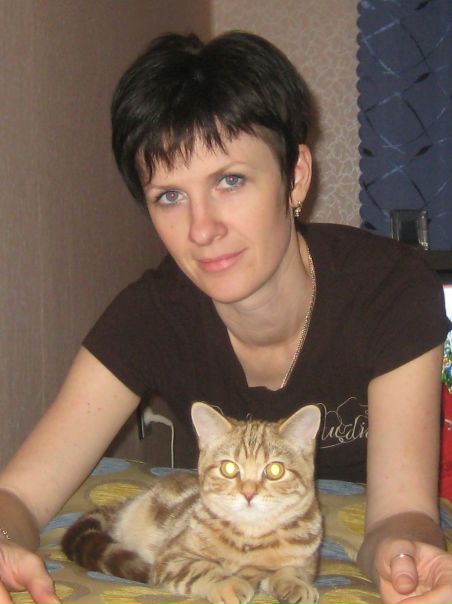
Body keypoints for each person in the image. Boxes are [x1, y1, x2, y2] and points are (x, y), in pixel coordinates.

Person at [0, 30, 451, 604]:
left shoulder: (389, 290)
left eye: (230, 181)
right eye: (169, 196)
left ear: (296, 177)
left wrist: (405, 555)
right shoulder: (150, 315)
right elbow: (19, 494)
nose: (201, 228)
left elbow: (400, 515)